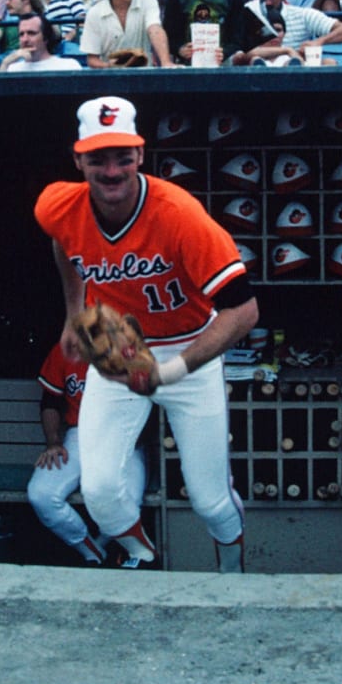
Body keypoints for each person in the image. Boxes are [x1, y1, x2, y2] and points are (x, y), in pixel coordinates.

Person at [38, 97, 254, 570]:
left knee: (209, 499)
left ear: (141, 155)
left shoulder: (179, 214)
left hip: (187, 350)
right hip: (118, 349)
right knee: (98, 492)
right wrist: (74, 312)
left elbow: (243, 312)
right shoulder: (58, 204)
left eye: (122, 156)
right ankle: (145, 560)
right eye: (97, 158)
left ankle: (235, 572)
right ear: (78, 160)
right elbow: (63, 241)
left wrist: (173, 370)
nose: (111, 170)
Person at [28, 340, 147, 567]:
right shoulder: (67, 349)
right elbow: (50, 401)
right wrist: (53, 442)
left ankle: (103, 549)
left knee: (128, 499)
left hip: (125, 434)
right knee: (41, 494)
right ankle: (93, 553)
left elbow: (153, 406)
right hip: (80, 434)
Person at [1, 12, 79, 72]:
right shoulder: (13, 69)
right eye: (21, 34)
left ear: (45, 38)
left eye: (31, 33)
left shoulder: (69, 66)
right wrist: (5, 63)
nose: (25, 39)